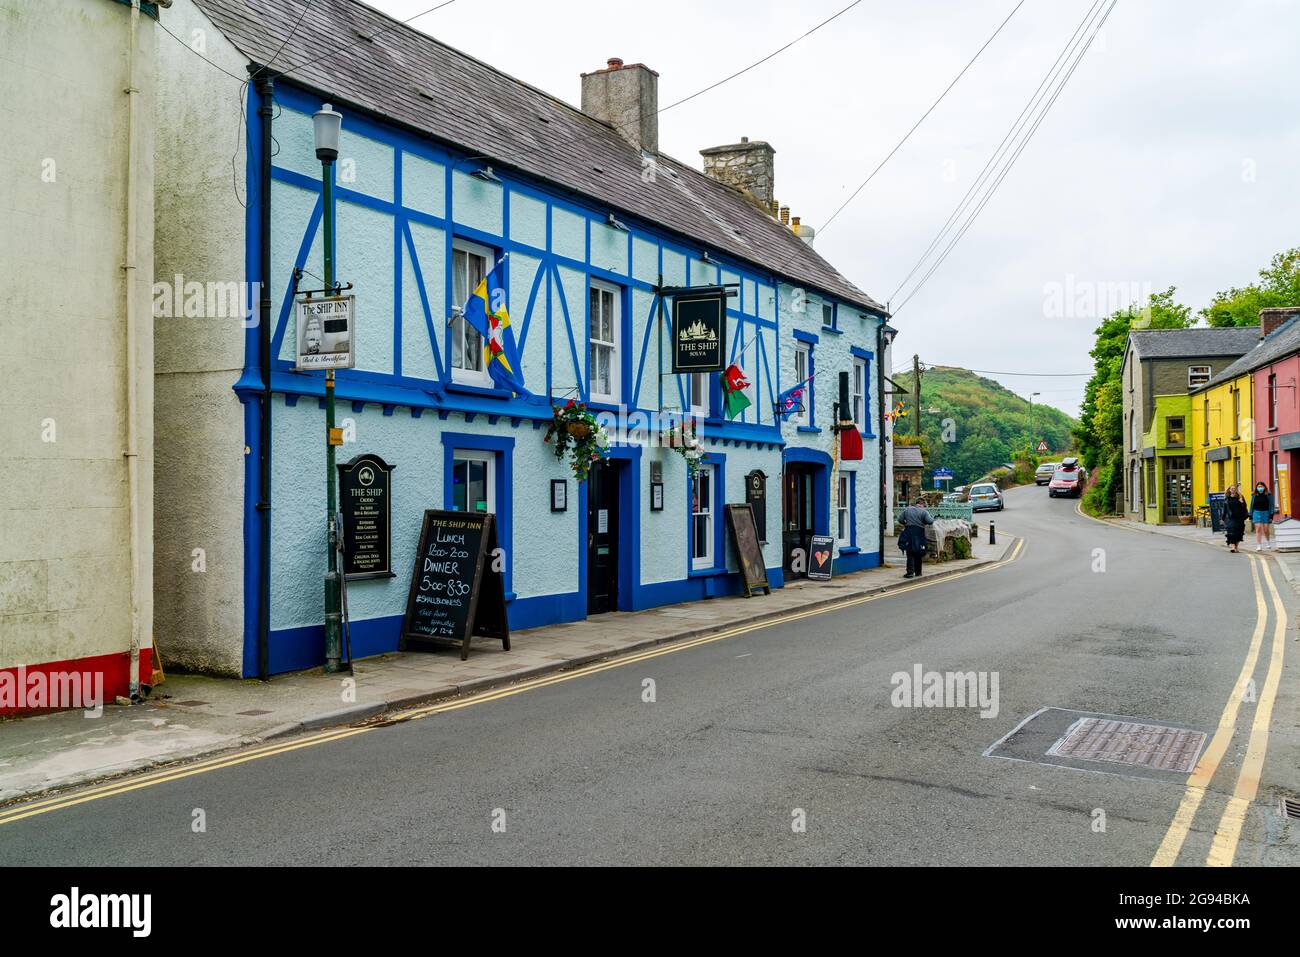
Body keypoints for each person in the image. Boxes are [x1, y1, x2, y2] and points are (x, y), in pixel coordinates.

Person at [899, 496, 933, 579]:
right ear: (922, 504)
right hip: (919, 533)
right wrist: (924, 522)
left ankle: (910, 573)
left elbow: (900, 519)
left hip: (909, 532)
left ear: (916, 503)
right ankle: (918, 572)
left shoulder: (907, 510)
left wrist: (905, 523)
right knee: (919, 552)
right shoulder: (924, 512)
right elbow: (930, 521)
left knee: (910, 552)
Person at [1223, 485, 1248, 553]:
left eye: (1234, 489)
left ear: (1236, 490)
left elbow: (1244, 507)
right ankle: (1233, 547)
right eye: (1232, 489)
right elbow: (1225, 509)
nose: (1233, 490)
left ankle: (1236, 547)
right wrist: (1222, 518)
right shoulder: (1227, 499)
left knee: (1239, 533)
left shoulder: (1240, 497)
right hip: (1231, 518)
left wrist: (1241, 502)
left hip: (1240, 518)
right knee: (1231, 532)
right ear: (1229, 490)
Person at [1250, 481, 1273, 551]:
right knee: (1258, 528)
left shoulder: (1268, 495)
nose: (1260, 488)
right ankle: (1259, 545)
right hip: (1256, 513)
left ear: (1264, 487)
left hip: (1266, 513)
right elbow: (1251, 506)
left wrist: (1271, 515)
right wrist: (1250, 515)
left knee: (1266, 530)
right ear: (1256, 488)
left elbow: (1271, 505)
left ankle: (1268, 542)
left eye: (1261, 487)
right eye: (1259, 487)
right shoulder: (1254, 496)